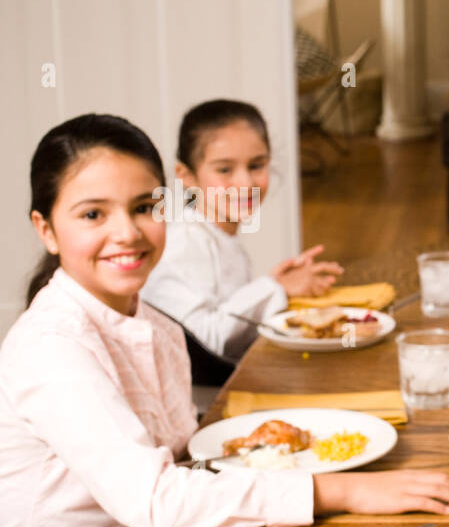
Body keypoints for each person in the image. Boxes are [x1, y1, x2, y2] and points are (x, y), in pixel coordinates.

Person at [0, 114, 449, 527]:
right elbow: (157, 498)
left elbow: (186, 460)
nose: (127, 232)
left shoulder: (154, 325)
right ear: (46, 228)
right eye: (93, 214)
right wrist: (340, 489)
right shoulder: (53, 346)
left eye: (144, 207)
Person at [141, 99, 343, 360]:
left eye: (256, 165)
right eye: (225, 169)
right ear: (187, 176)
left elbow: (234, 322)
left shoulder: (222, 236)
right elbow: (202, 346)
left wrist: (279, 284)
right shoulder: (182, 243)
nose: (245, 183)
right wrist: (275, 287)